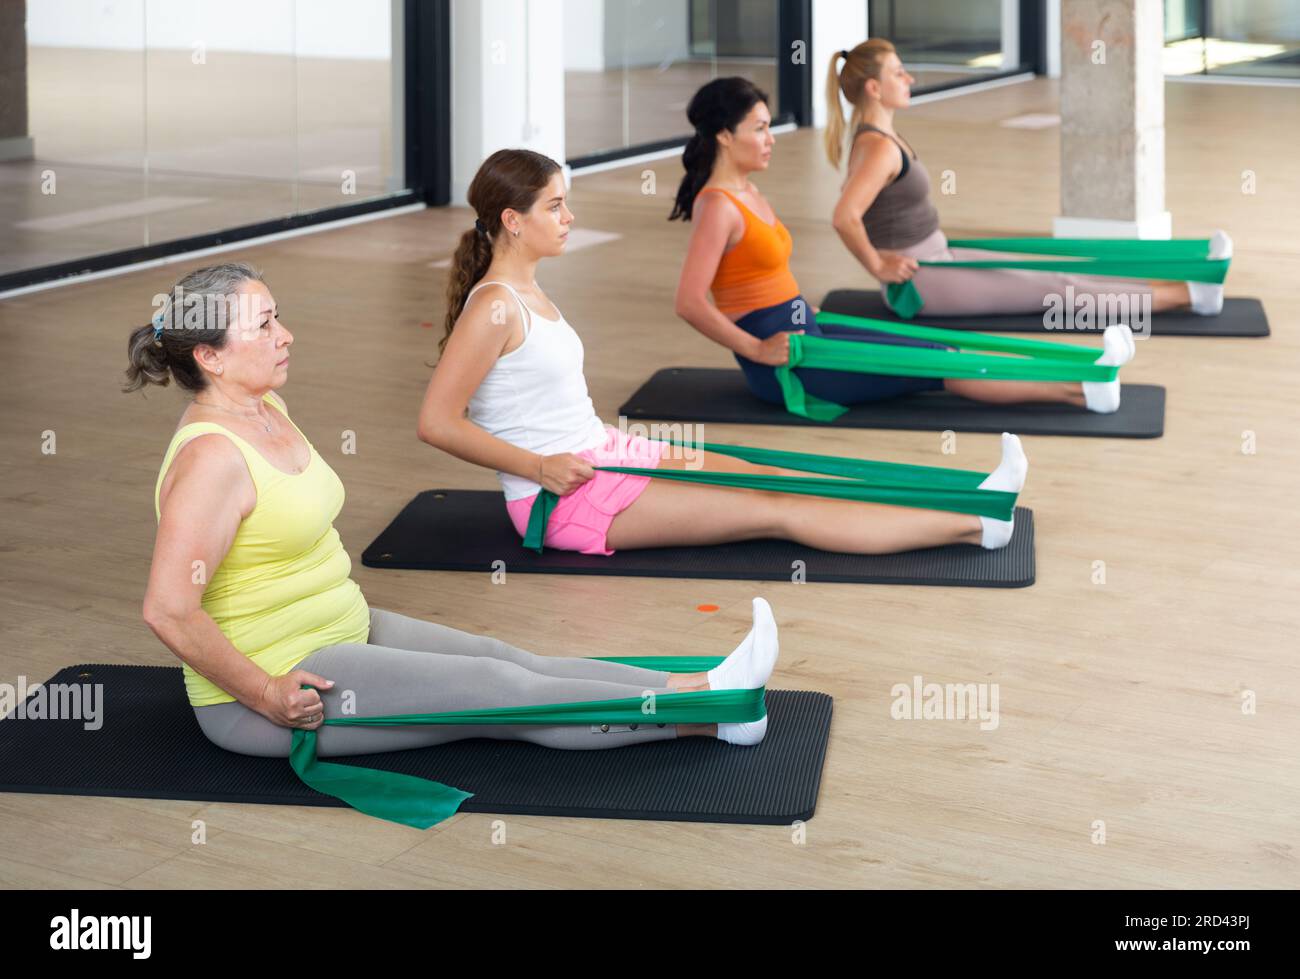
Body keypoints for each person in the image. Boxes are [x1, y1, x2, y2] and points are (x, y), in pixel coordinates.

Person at [126, 262, 777, 753]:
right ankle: (713, 714)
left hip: (341, 625)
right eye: (264, 326)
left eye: (278, 315)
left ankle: (706, 682)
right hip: (285, 678)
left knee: (511, 658)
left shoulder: (264, 407)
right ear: (209, 356)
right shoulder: (210, 460)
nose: (286, 335)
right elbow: (168, 608)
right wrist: (266, 692)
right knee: (504, 695)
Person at [418, 149, 1030, 559]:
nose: (569, 217)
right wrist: (537, 467)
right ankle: (979, 526)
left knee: (780, 476)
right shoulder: (494, 306)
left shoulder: (528, 290)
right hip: (559, 500)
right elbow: (437, 423)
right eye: (554, 206)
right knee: (778, 508)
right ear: (512, 220)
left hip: (607, 452)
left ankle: (973, 495)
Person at [672, 75, 1138, 418]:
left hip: (805, 330)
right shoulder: (719, 207)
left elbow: (757, 277)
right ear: (724, 136)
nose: (770, 140)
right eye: (758, 129)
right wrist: (756, 349)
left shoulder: (749, 192)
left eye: (769, 127)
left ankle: (1088, 372)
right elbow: (689, 303)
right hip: (788, 363)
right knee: (941, 364)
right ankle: (1083, 391)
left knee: (934, 347)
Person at [825, 38, 1231, 319]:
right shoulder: (878, 148)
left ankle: (1189, 279)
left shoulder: (879, 138)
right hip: (920, 283)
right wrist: (877, 265)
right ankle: (1192, 297)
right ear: (874, 88)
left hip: (937, 258)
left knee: (1052, 267)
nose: (909, 78)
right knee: (1059, 288)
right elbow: (845, 216)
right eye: (899, 73)